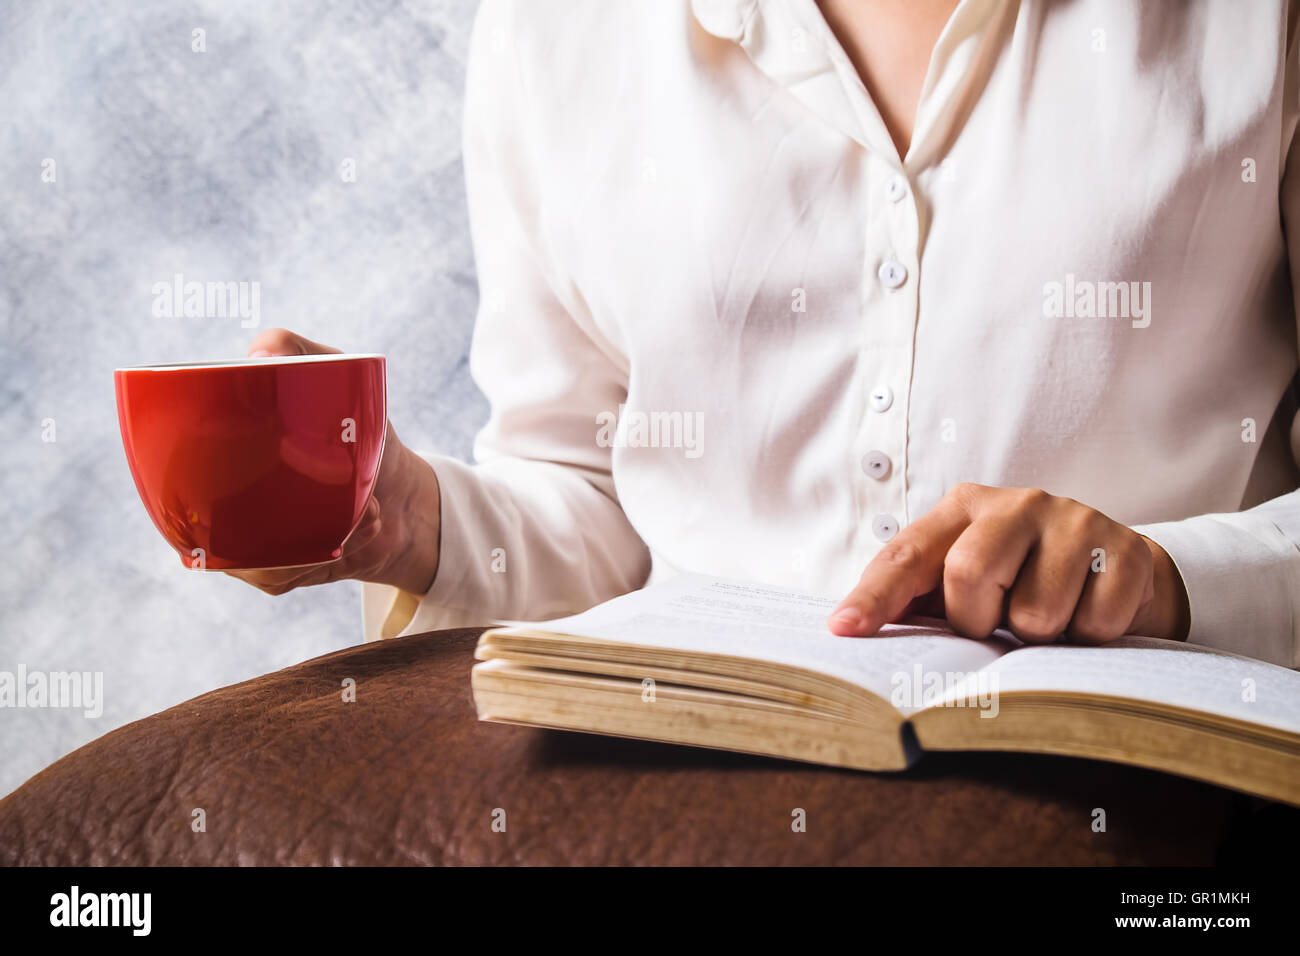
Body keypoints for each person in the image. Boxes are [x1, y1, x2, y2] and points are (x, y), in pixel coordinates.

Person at [234, 0, 1300, 668]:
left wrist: (1167, 574)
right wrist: (413, 520)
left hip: (1151, 791)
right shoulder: (554, 28)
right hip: (682, 780)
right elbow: (591, 499)